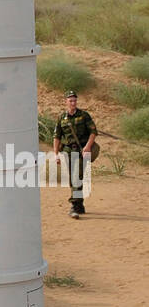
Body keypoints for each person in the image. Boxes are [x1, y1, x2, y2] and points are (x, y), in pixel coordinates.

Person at [53, 90, 97, 219]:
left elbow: (93, 132)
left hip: (81, 151)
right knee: (74, 178)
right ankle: (80, 204)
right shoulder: (62, 118)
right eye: (70, 100)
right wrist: (55, 154)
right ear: (66, 102)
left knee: (77, 177)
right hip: (68, 151)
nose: (73, 102)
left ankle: (74, 205)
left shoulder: (84, 115)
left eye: (75, 100)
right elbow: (57, 136)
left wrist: (88, 147)